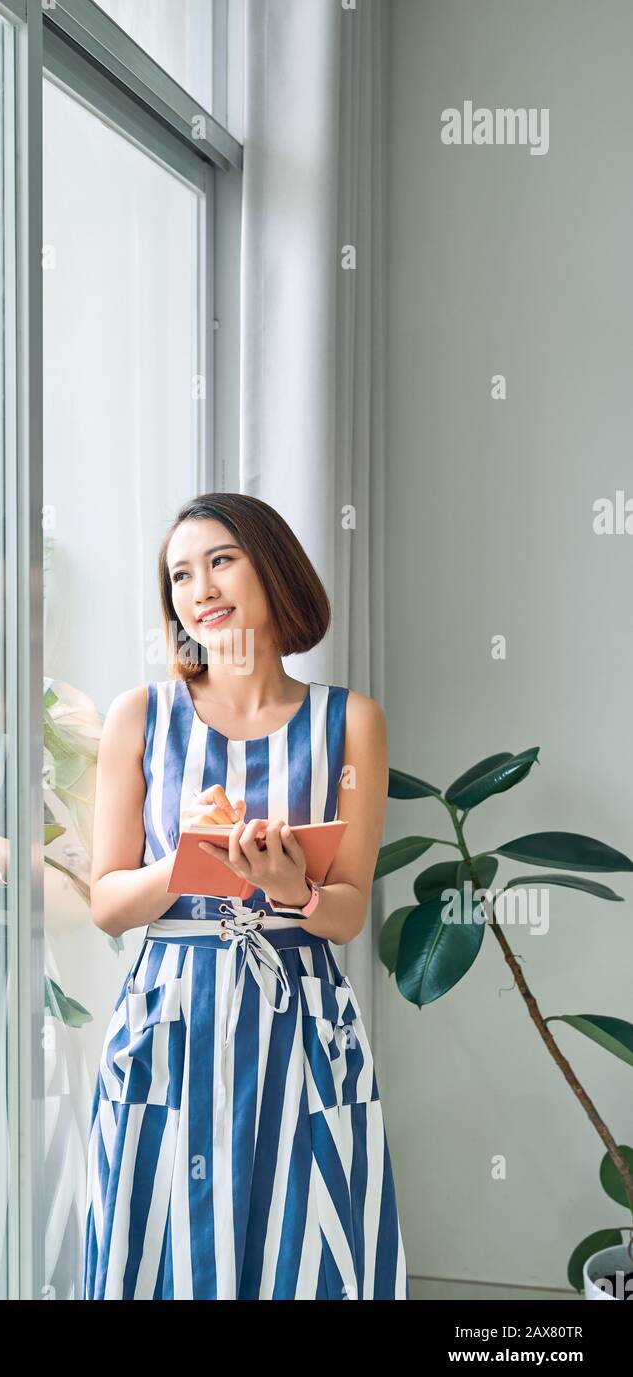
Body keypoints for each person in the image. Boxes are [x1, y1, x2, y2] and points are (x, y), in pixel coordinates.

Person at [82, 492, 409, 1300]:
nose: (200, 586)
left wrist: (290, 887)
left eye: (220, 558)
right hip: (171, 1016)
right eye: (179, 575)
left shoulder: (350, 722)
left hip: (298, 1017)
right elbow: (107, 903)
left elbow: (347, 911)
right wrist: (186, 863)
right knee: (157, 1243)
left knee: (310, 1249)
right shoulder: (140, 716)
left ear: (272, 564)